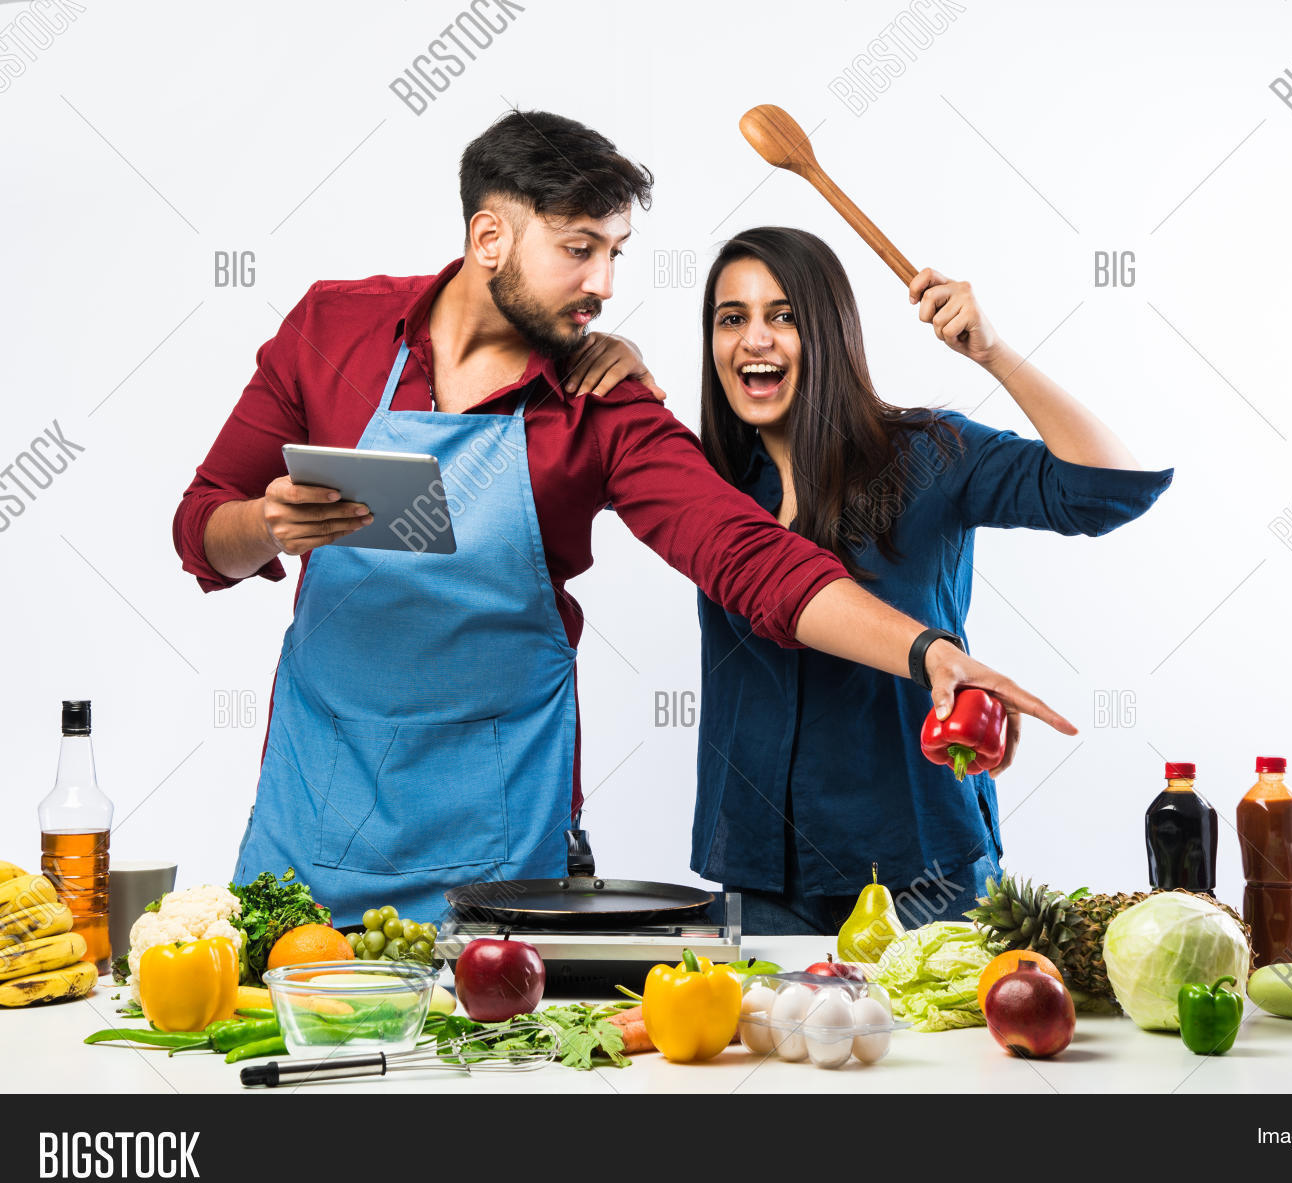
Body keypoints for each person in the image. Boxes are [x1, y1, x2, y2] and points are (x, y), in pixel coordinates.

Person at [172, 114, 1076, 926]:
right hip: (313, 815)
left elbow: (745, 556)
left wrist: (929, 653)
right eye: (579, 250)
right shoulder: (334, 327)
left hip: (502, 849)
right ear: (491, 236)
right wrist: (266, 523)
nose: (604, 283)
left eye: (616, 251)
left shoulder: (603, 405)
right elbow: (202, 524)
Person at [689, 227, 1172, 935]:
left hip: (925, 870)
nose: (754, 338)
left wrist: (994, 355)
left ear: (828, 332)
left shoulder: (928, 454)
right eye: (732, 318)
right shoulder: (710, 489)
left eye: (783, 315)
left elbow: (1110, 491)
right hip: (764, 874)